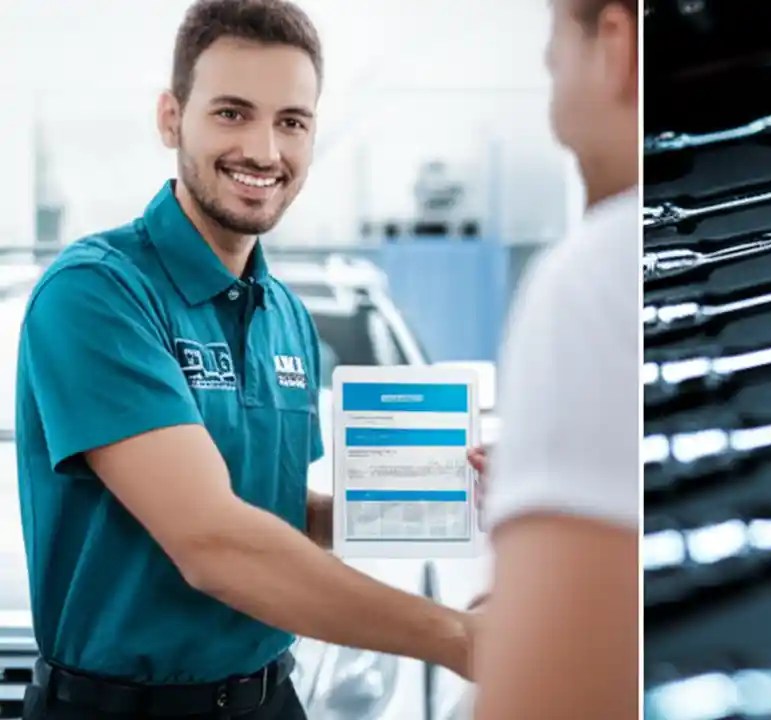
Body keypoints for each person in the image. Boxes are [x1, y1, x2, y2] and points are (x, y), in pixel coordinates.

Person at [16, 2, 475, 718]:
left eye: (292, 121)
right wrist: (462, 638)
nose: (265, 151)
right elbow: (213, 542)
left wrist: (460, 494)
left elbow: (279, 510)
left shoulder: (285, 314)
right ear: (172, 118)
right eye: (232, 113)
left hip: (271, 697)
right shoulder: (99, 292)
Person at [465, 0, 640, 718]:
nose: (550, 87)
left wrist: (503, 598)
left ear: (614, 45)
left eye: (553, 58)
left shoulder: (591, 274)